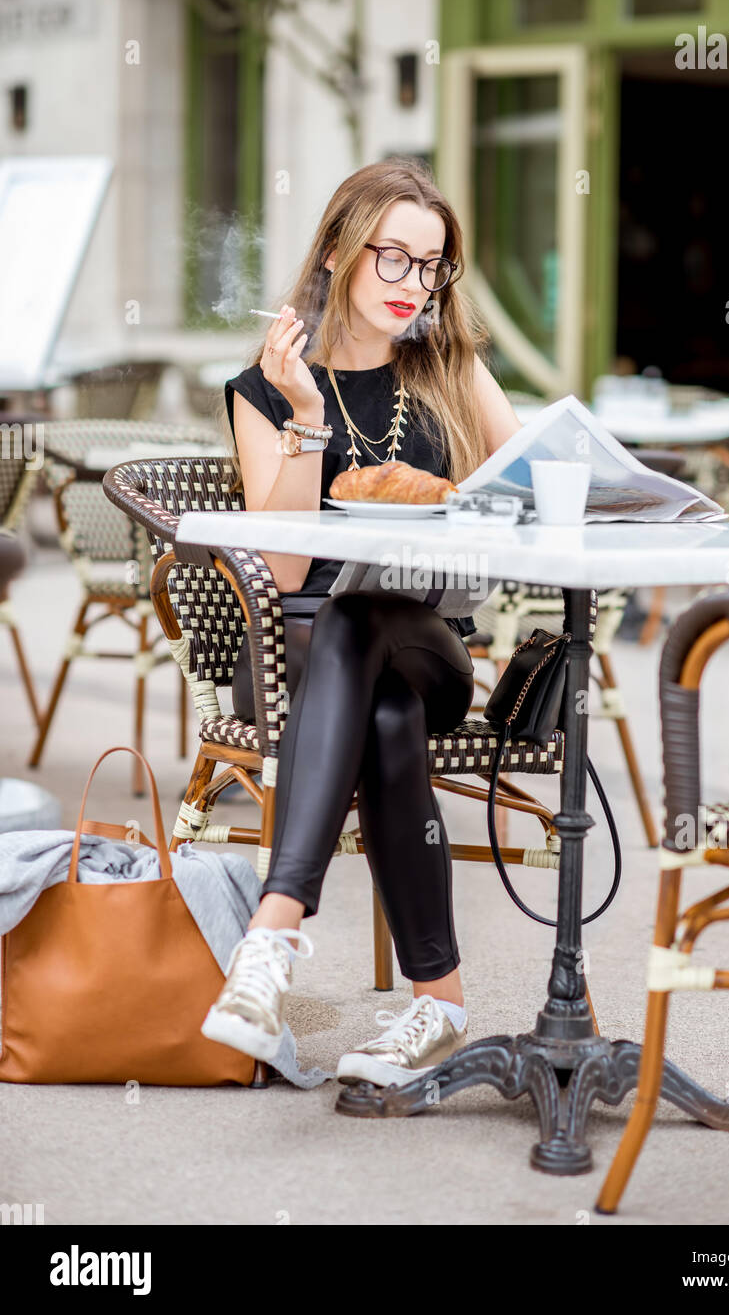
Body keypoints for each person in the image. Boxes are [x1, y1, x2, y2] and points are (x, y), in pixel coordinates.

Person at [201, 157, 522, 1087]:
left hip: (430, 650)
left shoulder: (450, 369)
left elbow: (536, 483)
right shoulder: (264, 389)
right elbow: (288, 565)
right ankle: (442, 1007)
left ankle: (274, 930)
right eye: (393, 258)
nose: (413, 285)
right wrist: (304, 415)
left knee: (367, 618)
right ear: (339, 251)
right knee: (367, 680)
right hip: (302, 660)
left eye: (431, 266)